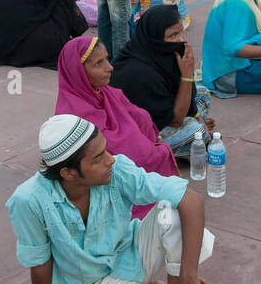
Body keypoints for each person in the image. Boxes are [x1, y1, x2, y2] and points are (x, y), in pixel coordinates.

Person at [3, 114, 216, 284]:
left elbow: (191, 200)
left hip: (133, 250)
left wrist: (188, 278)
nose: (110, 160)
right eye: (98, 158)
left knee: (173, 212)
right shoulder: (28, 201)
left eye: (106, 151)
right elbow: (39, 262)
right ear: (69, 173)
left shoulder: (117, 168)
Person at [56, 35, 183, 218]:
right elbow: (114, 147)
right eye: (98, 63)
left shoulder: (103, 92)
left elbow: (138, 116)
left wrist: (152, 141)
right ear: (78, 72)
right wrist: (156, 150)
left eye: (106, 59)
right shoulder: (74, 116)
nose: (110, 67)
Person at [111, 4, 214, 155]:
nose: (181, 40)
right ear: (155, 37)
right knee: (195, 133)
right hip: (140, 132)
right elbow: (176, 120)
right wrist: (187, 74)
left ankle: (193, 129)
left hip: (160, 111)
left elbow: (179, 92)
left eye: (181, 32)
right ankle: (160, 152)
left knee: (203, 93)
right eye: (173, 35)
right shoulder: (138, 72)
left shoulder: (154, 52)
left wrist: (198, 117)